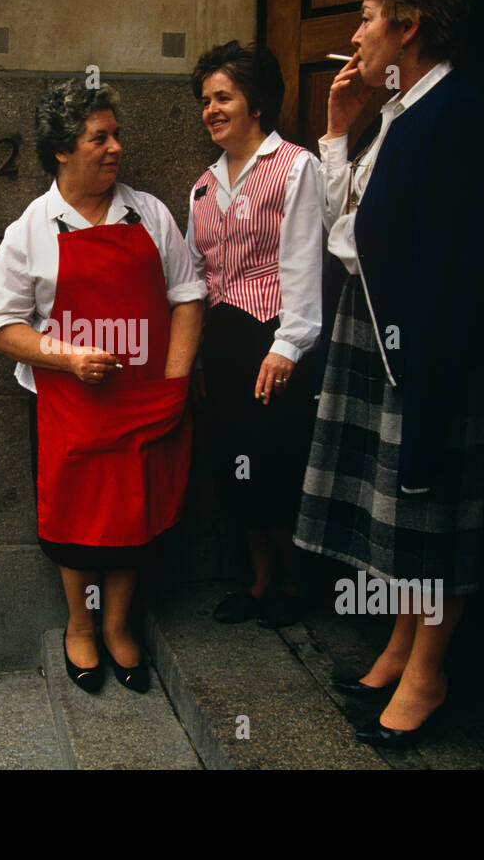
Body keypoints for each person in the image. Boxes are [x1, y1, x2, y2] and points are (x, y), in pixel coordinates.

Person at [294, 0, 484, 746]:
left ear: (408, 27)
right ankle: (401, 645)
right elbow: (348, 223)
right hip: (380, 325)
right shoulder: (402, 109)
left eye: (369, 16)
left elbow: (453, 253)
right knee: (399, 514)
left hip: (426, 340)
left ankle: (428, 674)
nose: (355, 34)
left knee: (430, 507)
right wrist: (341, 132)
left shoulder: (460, 110)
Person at [0, 79, 205, 694]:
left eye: (116, 135)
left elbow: (187, 297)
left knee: (135, 513)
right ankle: (81, 623)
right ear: (61, 150)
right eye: (98, 138)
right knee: (77, 518)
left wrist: (176, 382)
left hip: (145, 400)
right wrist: (68, 356)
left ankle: (118, 626)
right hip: (73, 406)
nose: (115, 148)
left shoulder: (150, 213)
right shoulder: (31, 228)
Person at [185, 41, 327, 630]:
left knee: (275, 462)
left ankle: (293, 584)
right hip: (221, 345)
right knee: (233, 466)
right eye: (205, 100)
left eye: (223, 97)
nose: (211, 109)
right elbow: (195, 274)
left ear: (257, 103)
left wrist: (288, 345)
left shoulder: (296, 166)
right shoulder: (202, 185)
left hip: (271, 340)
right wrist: (191, 360)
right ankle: (258, 581)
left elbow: (303, 262)